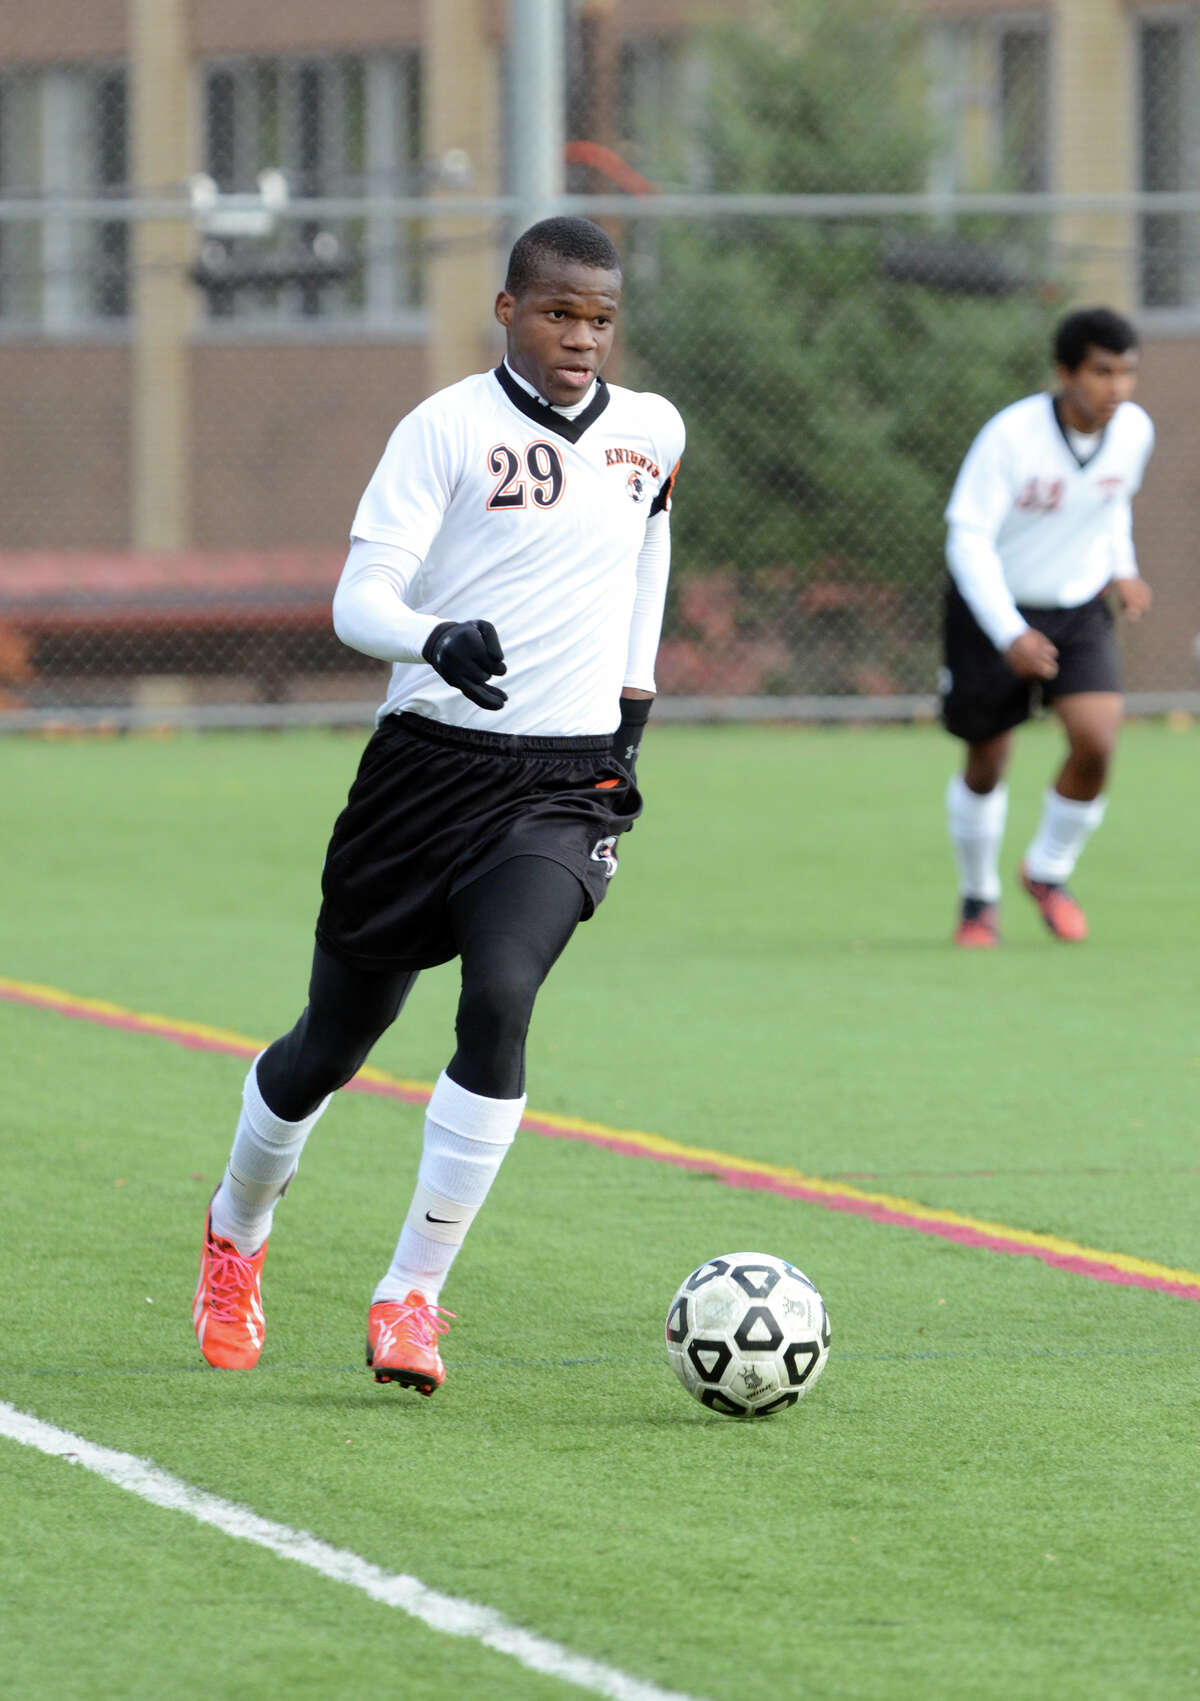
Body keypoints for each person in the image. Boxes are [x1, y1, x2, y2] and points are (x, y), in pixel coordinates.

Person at [192, 217, 685, 1393]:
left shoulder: (652, 433)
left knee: (502, 998)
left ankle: (410, 1294)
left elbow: (647, 555)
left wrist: (634, 701)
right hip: (423, 775)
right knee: (331, 1046)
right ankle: (235, 1233)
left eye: (601, 319)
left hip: (565, 783)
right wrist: (432, 636)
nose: (581, 339)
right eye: (559, 313)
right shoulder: (445, 429)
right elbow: (357, 600)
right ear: (507, 308)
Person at [939, 306, 1154, 948]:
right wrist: (1009, 633)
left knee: (1097, 741)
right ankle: (979, 899)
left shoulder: (1134, 430)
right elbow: (967, 538)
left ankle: (1048, 871)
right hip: (995, 611)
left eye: (1127, 373)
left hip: (1079, 608)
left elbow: (1110, 503)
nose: (1116, 388)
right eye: (1101, 372)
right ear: (1066, 372)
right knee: (989, 757)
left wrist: (1123, 569)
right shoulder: (1011, 436)